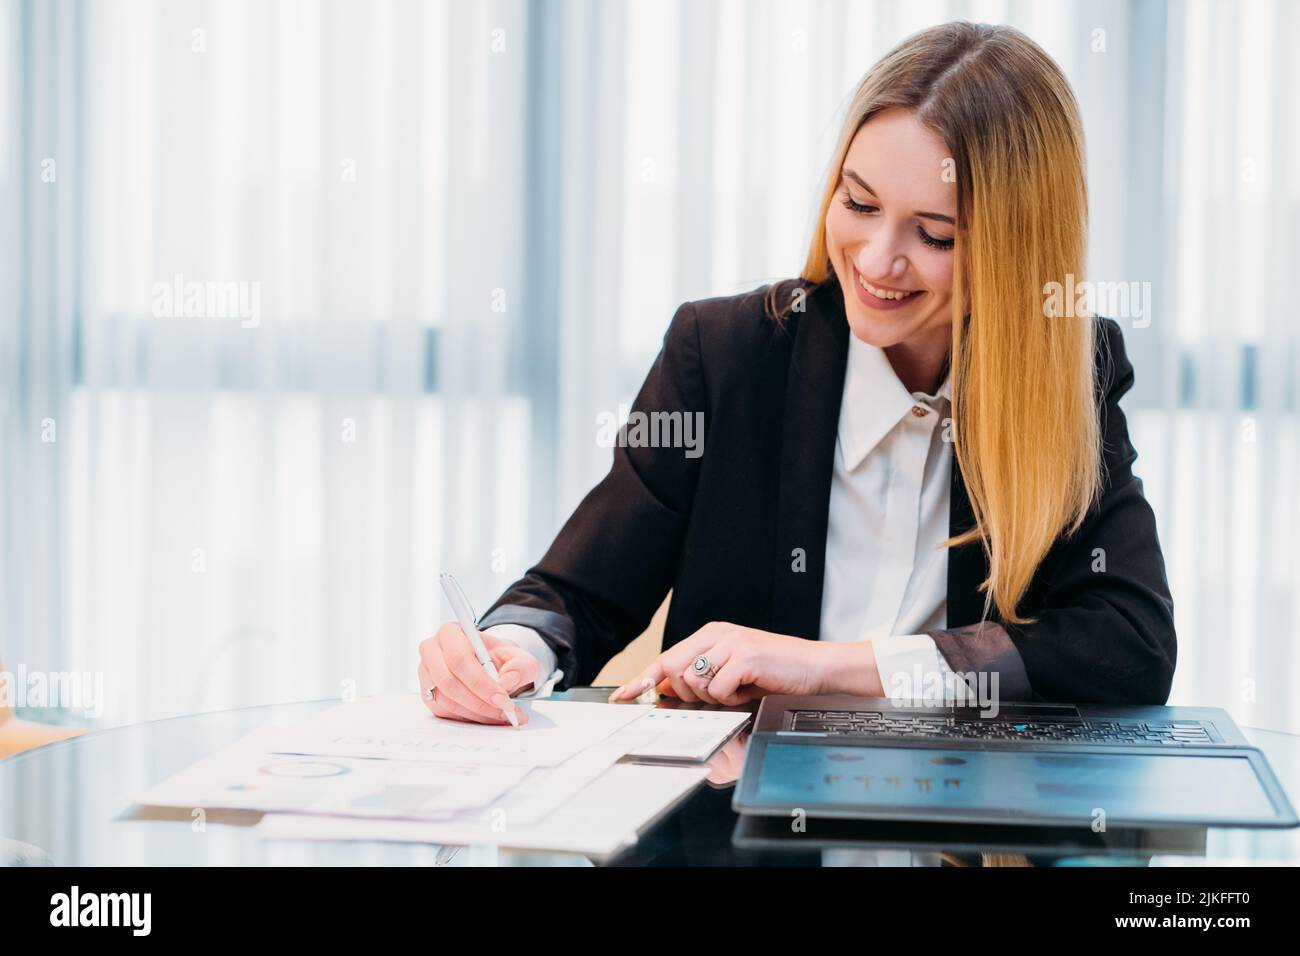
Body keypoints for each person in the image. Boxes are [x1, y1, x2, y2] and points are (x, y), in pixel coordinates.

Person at [417, 21, 1175, 725]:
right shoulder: (724, 353)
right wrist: (515, 646)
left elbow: (1128, 646)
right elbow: (578, 593)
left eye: (936, 236)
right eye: (859, 202)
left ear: (1017, 251)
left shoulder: (1073, 374)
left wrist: (834, 668)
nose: (878, 261)